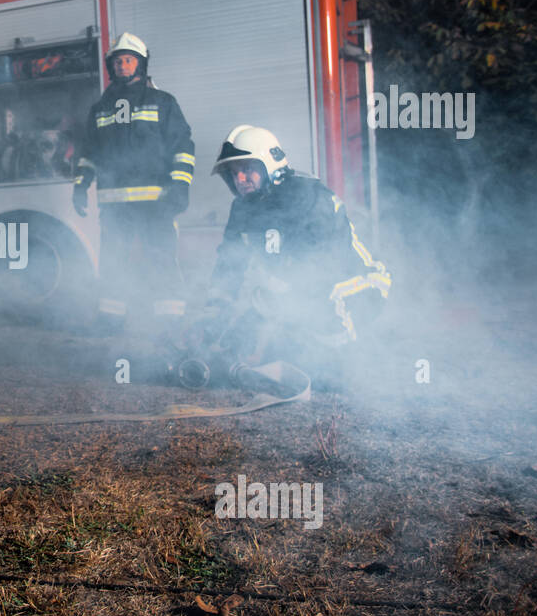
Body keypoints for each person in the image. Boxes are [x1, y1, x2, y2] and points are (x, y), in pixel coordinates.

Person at [188, 124, 391, 385]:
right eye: (234, 172)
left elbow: (324, 266)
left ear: (269, 164)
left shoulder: (309, 196)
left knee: (318, 304)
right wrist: (213, 318)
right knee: (245, 334)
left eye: (248, 168)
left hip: (359, 284)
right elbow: (230, 265)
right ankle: (310, 362)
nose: (240, 179)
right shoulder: (242, 210)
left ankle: (349, 368)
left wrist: (271, 304)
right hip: (291, 295)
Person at [72, 33, 195, 334]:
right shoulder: (100, 108)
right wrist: (80, 184)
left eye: (128, 60)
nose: (123, 65)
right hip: (114, 205)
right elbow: (89, 152)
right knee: (113, 262)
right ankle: (110, 318)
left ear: (140, 64)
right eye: (118, 61)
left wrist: (180, 185)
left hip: (157, 202)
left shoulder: (163, 102)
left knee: (161, 258)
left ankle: (169, 320)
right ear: (111, 67)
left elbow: (182, 147)